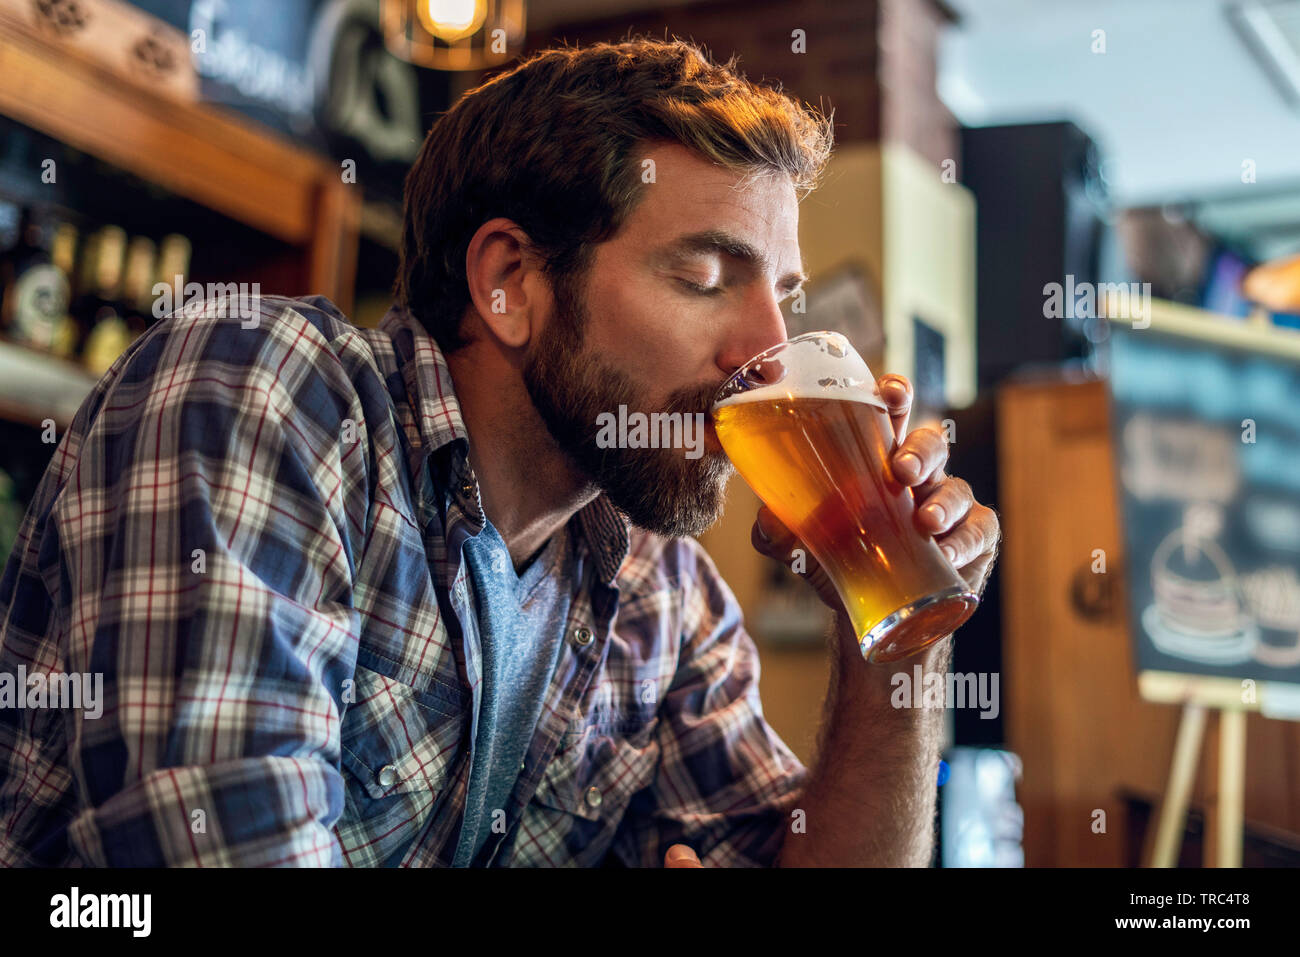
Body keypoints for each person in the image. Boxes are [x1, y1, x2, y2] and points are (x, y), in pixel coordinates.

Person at [0, 37, 998, 867]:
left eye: (780, 297)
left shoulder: (659, 593)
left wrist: (895, 648)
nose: (766, 355)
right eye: (702, 276)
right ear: (510, 281)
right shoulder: (266, 388)